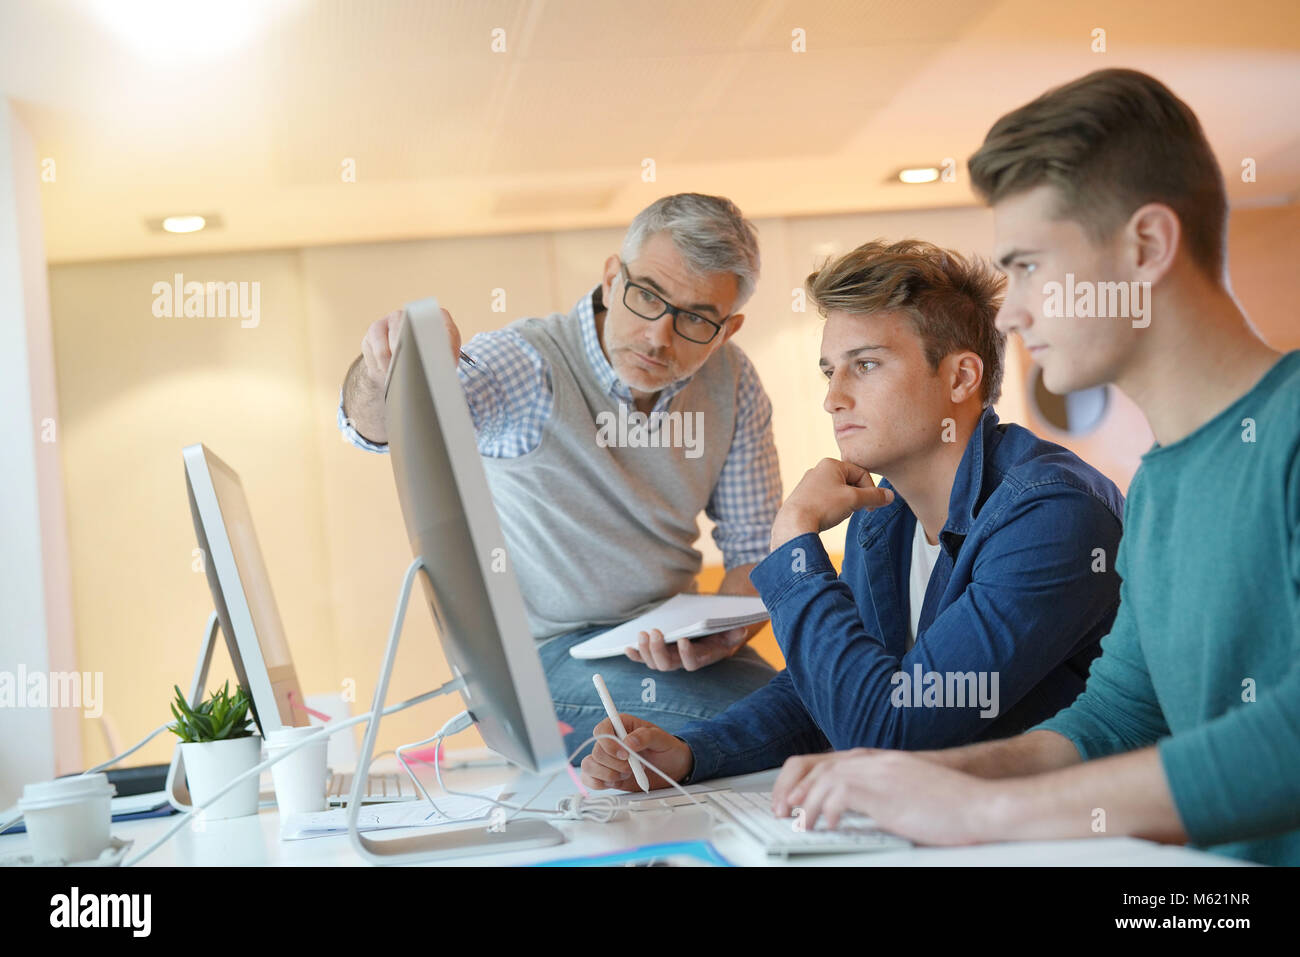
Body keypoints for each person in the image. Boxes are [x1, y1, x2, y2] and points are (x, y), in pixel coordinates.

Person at [770, 68, 1300, 867]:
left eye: (1028, 266)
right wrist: (895, 777)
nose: (1011, 313)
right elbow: (1117, 718)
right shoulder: (1159, 486)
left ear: (1147, 246)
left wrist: (985, 807)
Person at [578, 238, 1125, 791]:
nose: (833, 398)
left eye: (865, 365)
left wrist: (794, 541)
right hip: (944, 825)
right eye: (829, 371)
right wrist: (692, 753)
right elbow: (825, 688)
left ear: (961, 378)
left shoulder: (1051, 516)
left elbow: (890, 731)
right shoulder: (883, 513)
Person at [338, 193, 783, 760]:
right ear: (611, 277)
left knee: (808, 705)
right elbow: (371, 431)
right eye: (648, 296)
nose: (658, 337)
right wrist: (389, 367)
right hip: (541, 661)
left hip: (667, 645)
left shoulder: (734, 383)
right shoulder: (529, 365)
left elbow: (754, 551)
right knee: (789, 723)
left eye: (695, 318)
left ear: (729, 327)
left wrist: (728, 632)